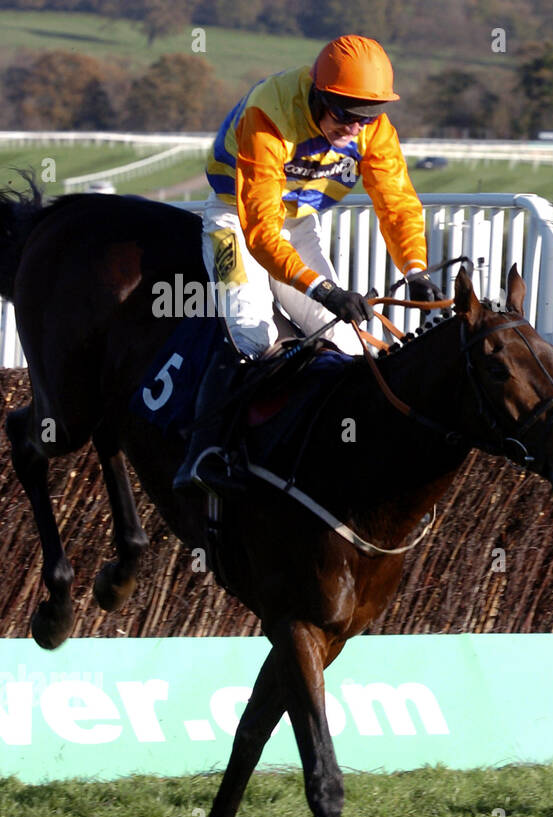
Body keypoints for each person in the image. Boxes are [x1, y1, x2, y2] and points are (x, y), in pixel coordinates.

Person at [174, 34, 440, 492]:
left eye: (367, 117)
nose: (355, 129)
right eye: (345, 115)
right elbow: (259, 230)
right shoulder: (269, 111)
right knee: (253, 335)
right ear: (319, 95)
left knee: (350, 346)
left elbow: (396, 204)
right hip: (236, 219)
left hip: (297, 223)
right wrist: (323, 289)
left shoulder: (372, 127)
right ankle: (205, 452)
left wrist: (415, 270)